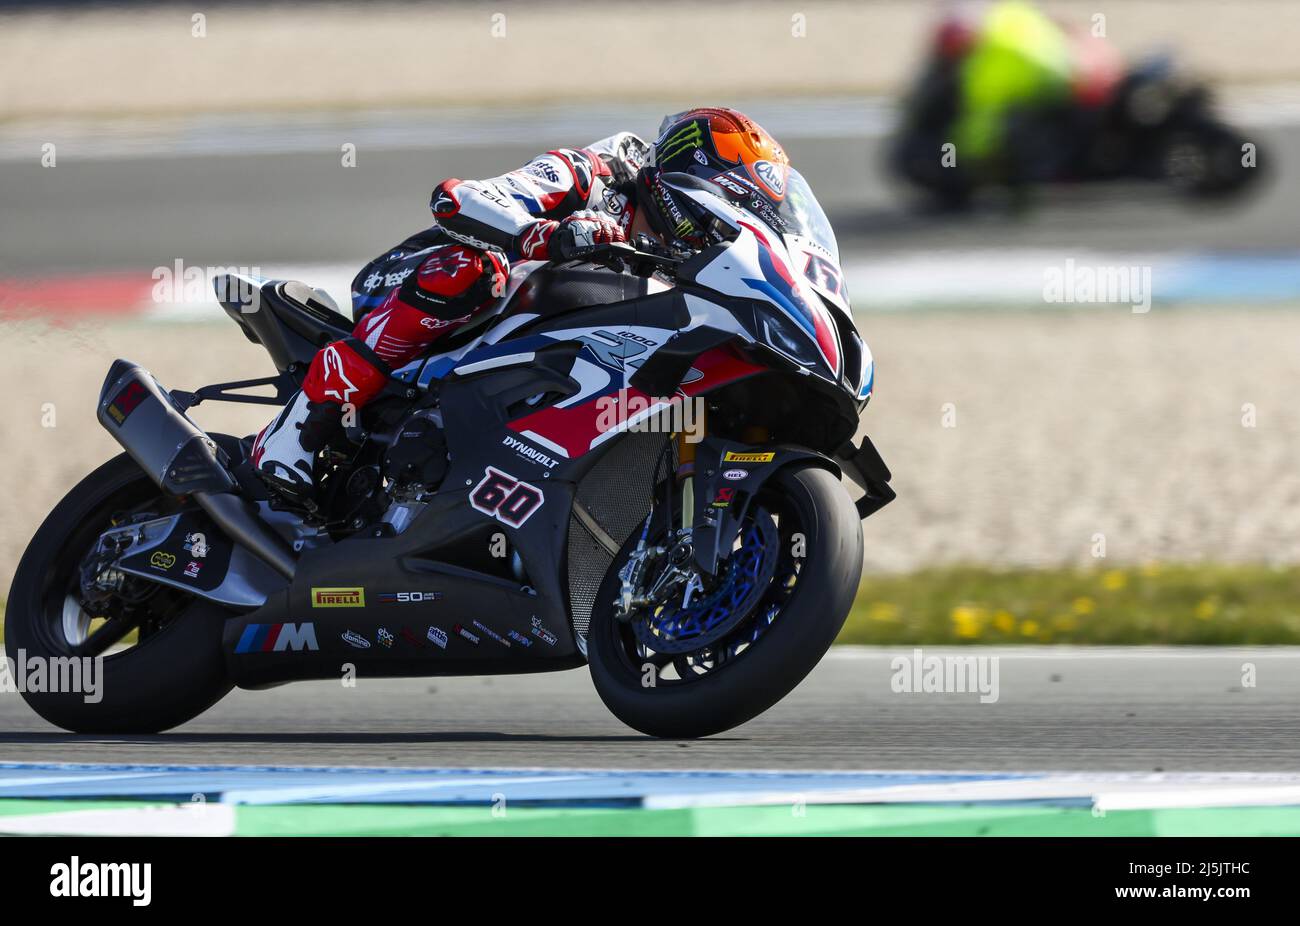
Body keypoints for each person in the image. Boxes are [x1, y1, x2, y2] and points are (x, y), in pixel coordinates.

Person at [251, 107, 790, 502]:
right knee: (477, 269)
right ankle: (298, 428)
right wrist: (546, 237)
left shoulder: (684, 262)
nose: (724, 224)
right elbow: (458, 199)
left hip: (535, 343)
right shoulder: (595, 171)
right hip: (419, 279)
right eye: (728, 201)